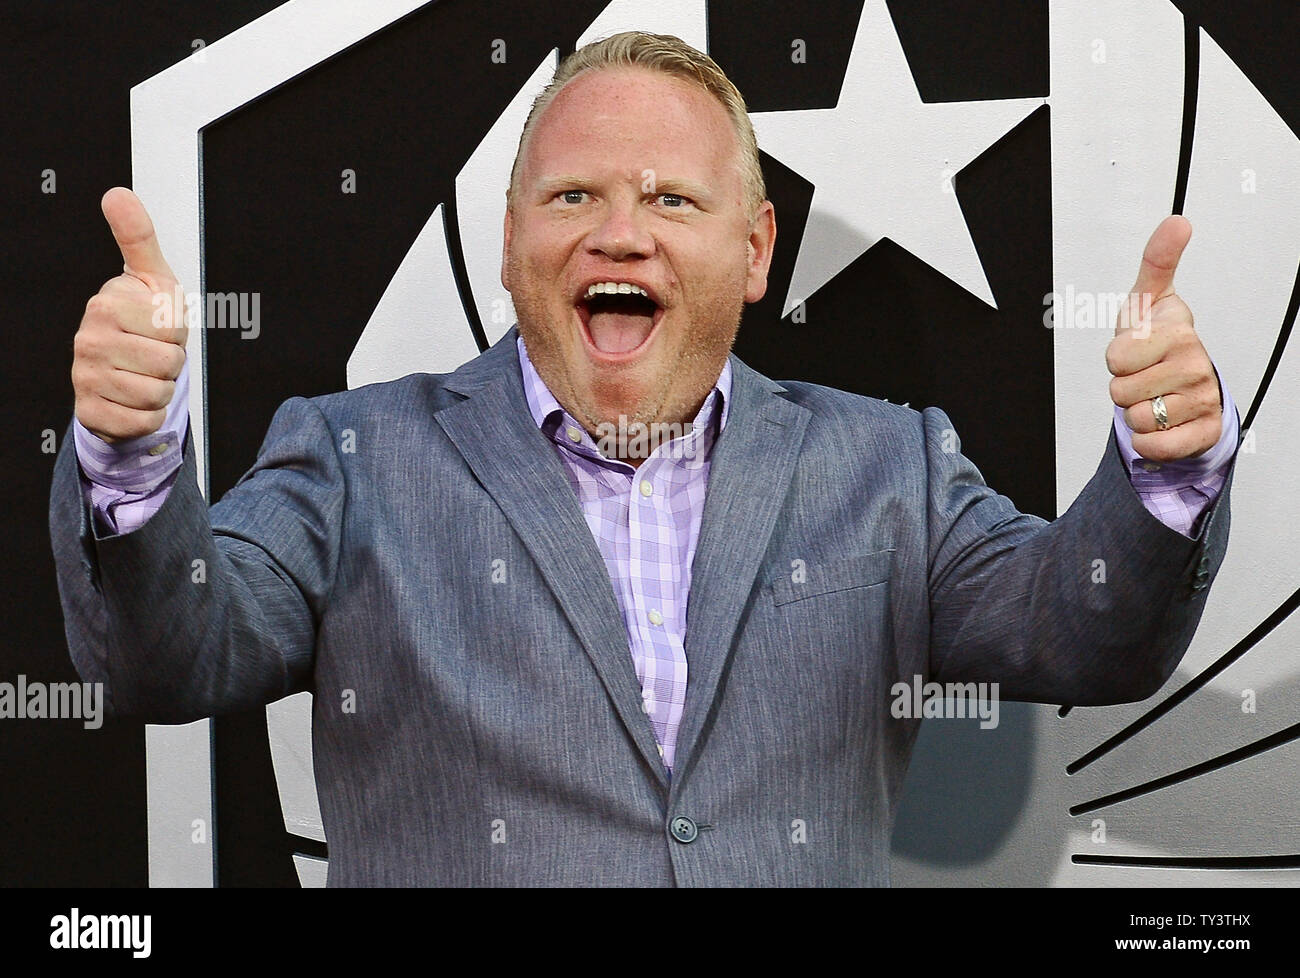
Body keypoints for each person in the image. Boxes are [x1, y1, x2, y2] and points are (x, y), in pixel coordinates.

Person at [51, 32, 1239, 886]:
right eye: (573, 194)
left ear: (755, 246)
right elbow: (171, 662)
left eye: (673, 199)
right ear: (511, 237)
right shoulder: (354, 455)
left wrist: (1163, 475)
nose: (620, 231)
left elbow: (1085, 634)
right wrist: (132, 456)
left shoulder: (890, 467)